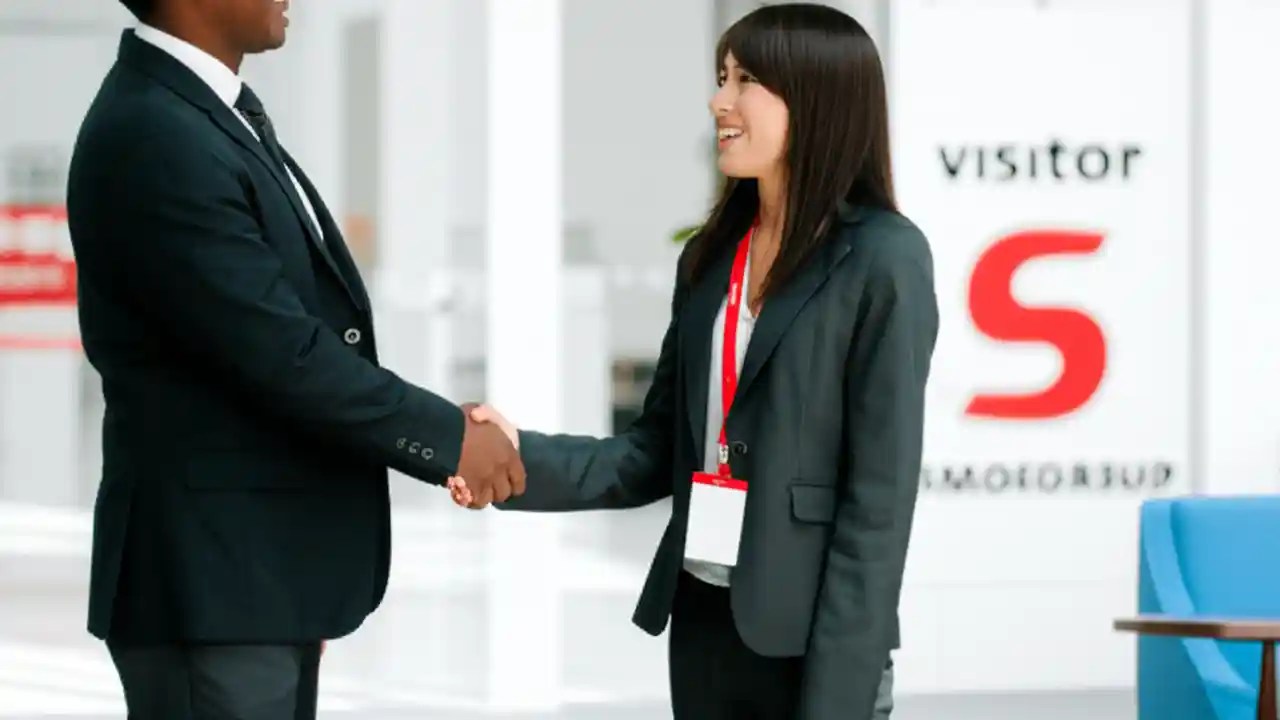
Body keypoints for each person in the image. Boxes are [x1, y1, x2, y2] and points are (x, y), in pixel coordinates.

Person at [449, 4, 937, 719]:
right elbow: (653, 451)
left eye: (746, 80)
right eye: (721, 78)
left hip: (814, 640)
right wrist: (517, 456)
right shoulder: (711, 258)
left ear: (817, 98)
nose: (719, 101)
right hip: (706, 623)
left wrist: (839, 697)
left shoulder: (884, 259)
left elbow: (878, 508)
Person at [66, 0, 524, 716]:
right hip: (211, 583)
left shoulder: (202, 114)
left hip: (251, 579)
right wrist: (448, 439)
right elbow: (283, 353)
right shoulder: (156, 131)